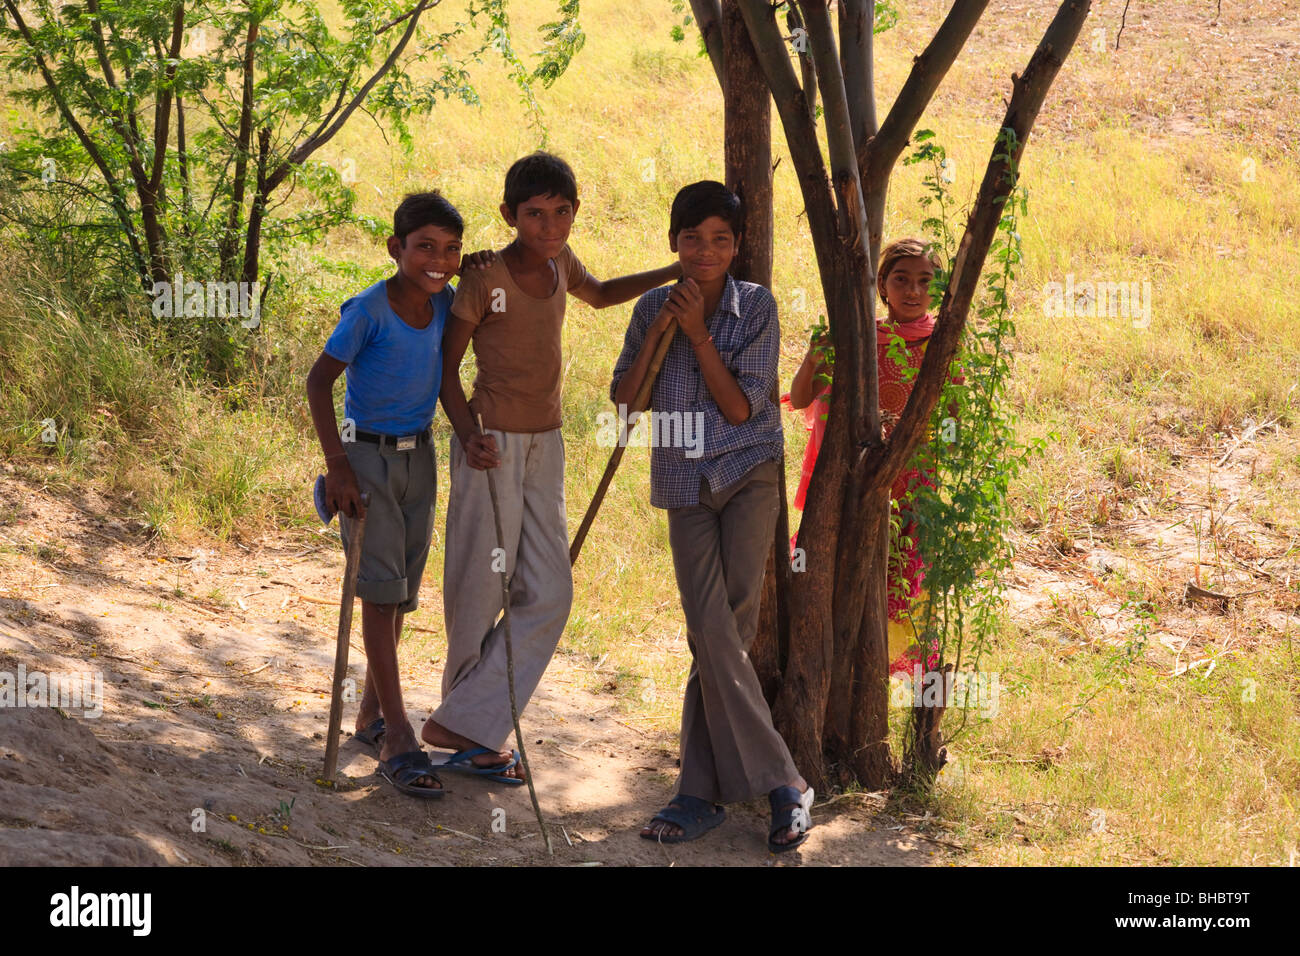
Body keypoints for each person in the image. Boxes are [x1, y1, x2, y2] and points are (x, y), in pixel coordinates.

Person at [421, 152, 681, 782]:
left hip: (548, 444)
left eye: (561, 212)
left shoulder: (563, 265)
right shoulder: (486, 278)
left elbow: (602, 295)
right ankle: (473, 738)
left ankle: (464, 718)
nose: (549, 225)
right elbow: (444, 370)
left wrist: (673, 274)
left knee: (552, 590)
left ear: (575, 212)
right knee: (478, 587)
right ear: (509, 215)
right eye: (534, 214)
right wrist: (468, 433)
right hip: (492, 442)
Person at [611, 180, 813, 854]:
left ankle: (698, 793)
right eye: (692, 238)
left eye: (720, 240)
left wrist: (697, 334)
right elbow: (627, 401)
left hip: (747, 471)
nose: (705, 251)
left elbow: (739, 409)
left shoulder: (755, 305)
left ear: (738, 246)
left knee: (724, 632)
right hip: (682, 478)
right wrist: (664, 328)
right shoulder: (649, 308)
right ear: (673, 242)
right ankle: (784, 783)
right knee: (712, 632)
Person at [305, 191, 463, 798]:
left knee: (400, 594)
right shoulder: (370, 310)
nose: (438, 260)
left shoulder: (444, 301)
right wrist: (337, 464)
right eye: (424, 247)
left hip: (418, 455)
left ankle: (371, 715)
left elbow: (447, 371)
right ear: (396, 248)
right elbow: (319, 383)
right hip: (365, 459)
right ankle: (398, 735)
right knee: (376, 592)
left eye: (450, 250)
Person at [786, 236, 956, 675]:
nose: (913, 291)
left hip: (913, 490)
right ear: (882, 285)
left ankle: (902, 700)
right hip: (849, 484)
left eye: (924, 281)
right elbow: (802, 398)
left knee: (903, 590)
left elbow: (953, 430)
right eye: (901, 280)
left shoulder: (942, 346)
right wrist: (816, 353)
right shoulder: (859, 340)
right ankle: (836, 681)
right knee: (840, 579)